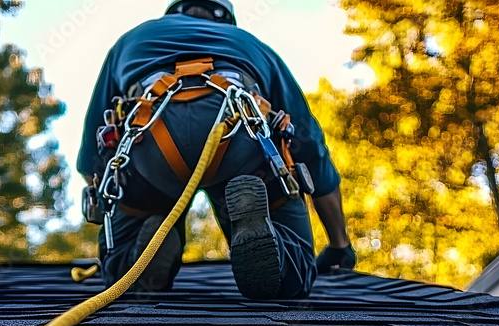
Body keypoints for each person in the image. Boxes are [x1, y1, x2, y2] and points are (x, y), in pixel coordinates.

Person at [77, 0, 355, 299]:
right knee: (295, 263)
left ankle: (140, 250)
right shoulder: (251, 44)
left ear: (175, 12)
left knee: (124, 251)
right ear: (225, 18)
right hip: (239, 138)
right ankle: (274, 249)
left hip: (151, 145)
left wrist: (114, 200)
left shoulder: (132, 40)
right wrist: (339, 244)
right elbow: (309, 144)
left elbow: (93, 153)